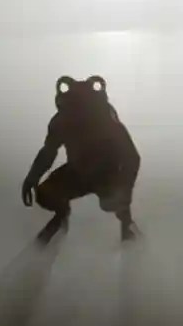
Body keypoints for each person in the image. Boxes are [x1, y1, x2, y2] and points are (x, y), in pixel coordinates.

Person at [21, 75, 141, 243]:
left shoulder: (105, 119)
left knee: (113, 203)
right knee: (45, 194)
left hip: (107, 174)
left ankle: (128, 230)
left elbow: (131, 157)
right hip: (78, 172)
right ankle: (59, 226)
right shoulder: (63, 119)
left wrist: (124, 189)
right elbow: (49, 151)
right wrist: (32, 178)